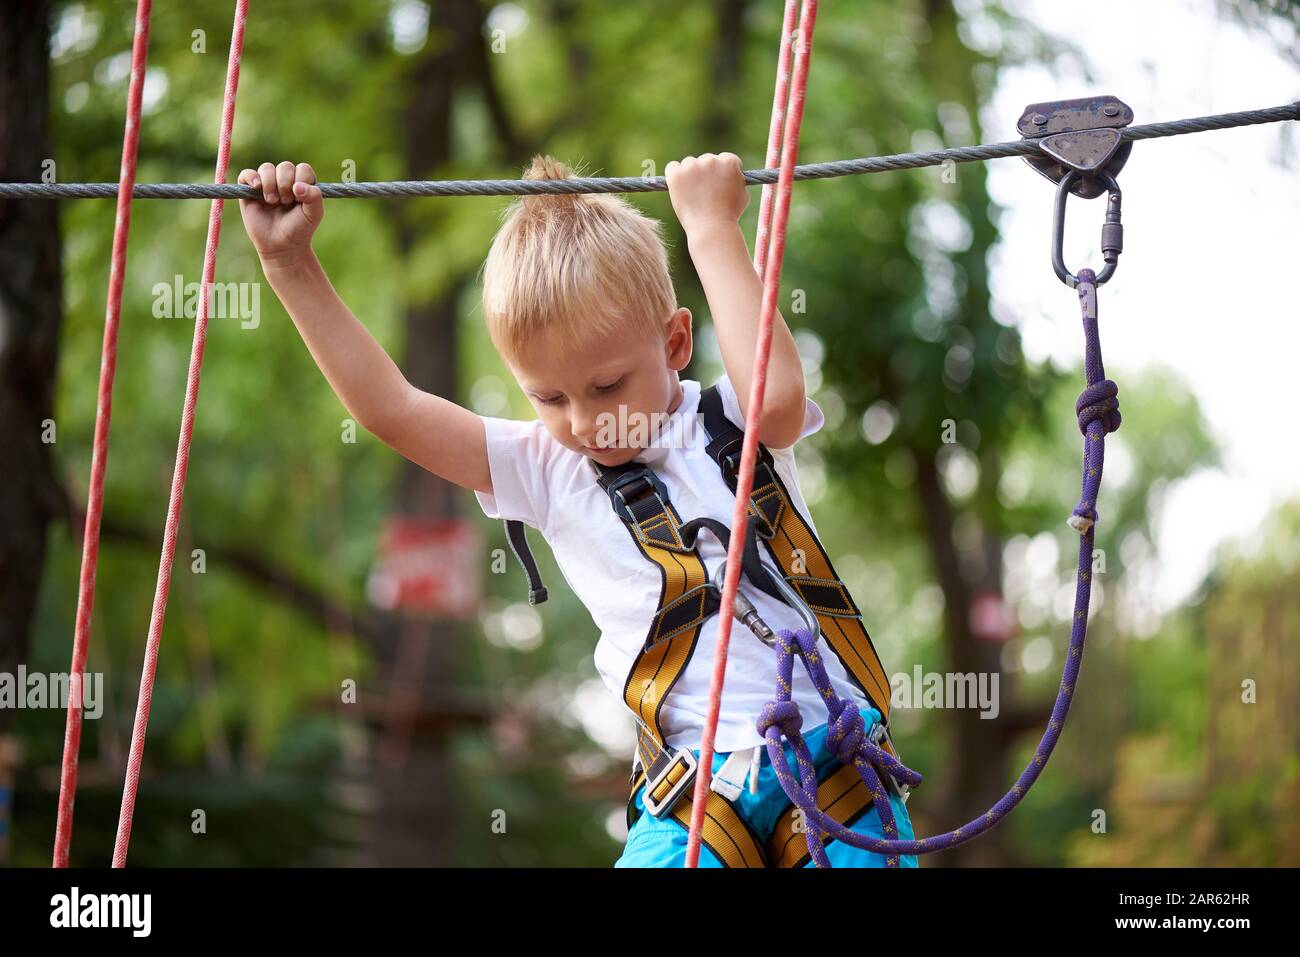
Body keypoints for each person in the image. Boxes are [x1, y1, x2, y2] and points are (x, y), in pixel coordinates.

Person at [236, 153, 915, 867]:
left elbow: (778, 398)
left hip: (826, 756)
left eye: (608, 383)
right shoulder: (545, 467)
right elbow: (393, 410)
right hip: (692, 795)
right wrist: (290, 266)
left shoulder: (732, 420)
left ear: (676, 341)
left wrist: (712, 226)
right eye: (550, 397)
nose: (587, 420)